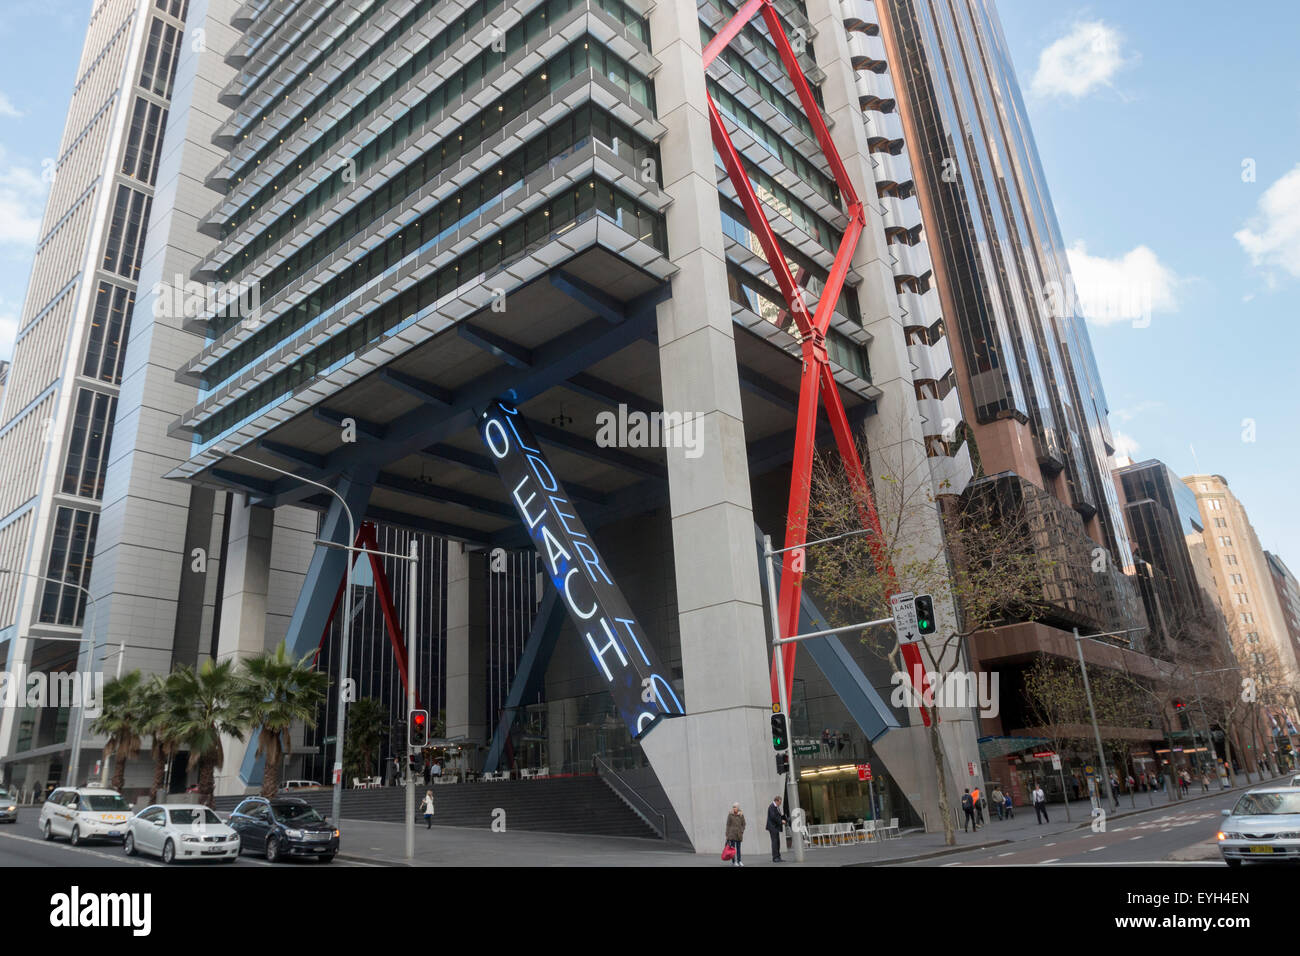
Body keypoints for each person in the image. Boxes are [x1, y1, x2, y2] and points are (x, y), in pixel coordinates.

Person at [766, 795, 787, 862]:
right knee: (775, 842)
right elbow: (773, 817)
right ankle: (775, 857)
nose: (780, 804)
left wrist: (783, 818)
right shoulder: (772, 807)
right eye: (779, 802)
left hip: (775, 827)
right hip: (772, 827)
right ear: (776, 801)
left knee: (777, 842)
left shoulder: (776, 807)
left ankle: (778, 856)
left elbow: (778, 815)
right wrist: (781, 821)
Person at [725, 802, 746, 866]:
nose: (734, 808)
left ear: (738, 808)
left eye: (735, 807)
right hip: (732, 834)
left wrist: (741, 831)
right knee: (733, 849)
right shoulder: (730, 815)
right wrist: (727, 834)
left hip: (738, 834)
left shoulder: (741, 815)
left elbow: (744, 824)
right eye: (733, 807)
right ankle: (734, 862)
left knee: (739, 848)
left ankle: (739, 861)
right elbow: (728, 825)